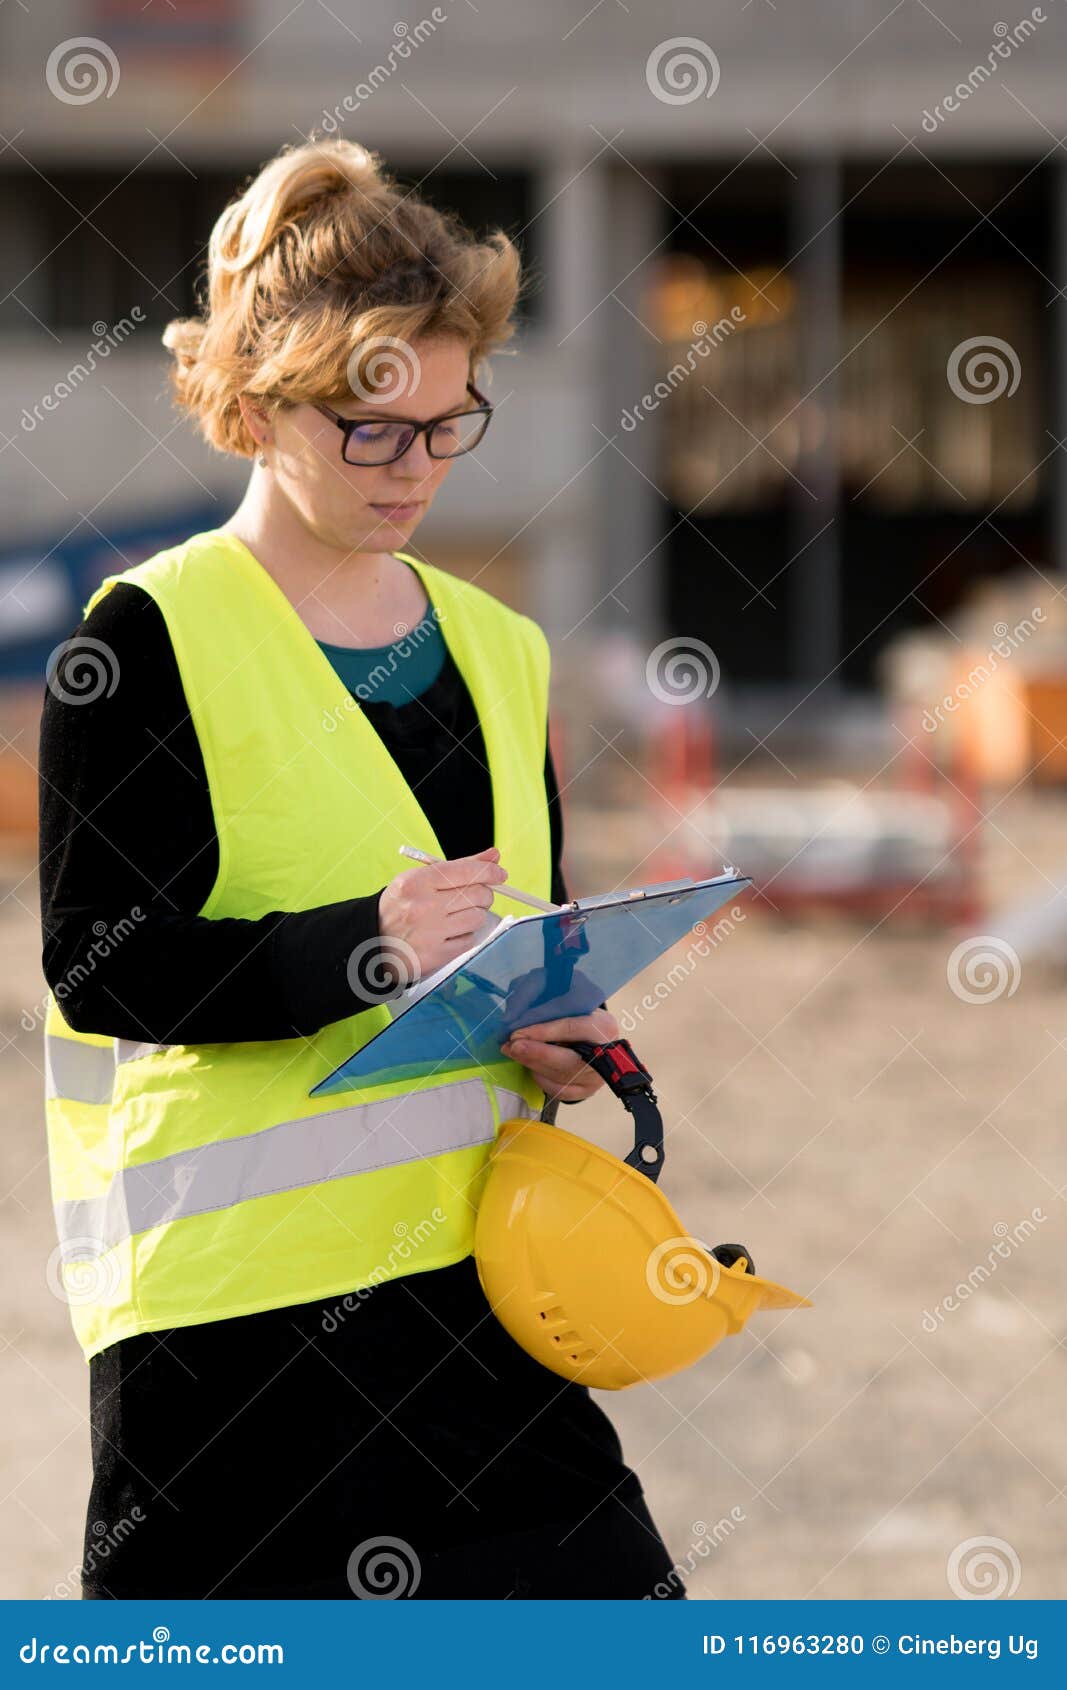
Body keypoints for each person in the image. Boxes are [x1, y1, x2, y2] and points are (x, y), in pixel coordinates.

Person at [37, 137, 686, 1600]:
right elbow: (93, 963)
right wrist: (361, 946)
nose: (415, 470)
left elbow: (526, 938)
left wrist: (560, 1036)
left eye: (448, 424)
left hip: (477, 1302)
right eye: (369, 429)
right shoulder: (140, 640)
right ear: (262, 405)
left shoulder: (500, 652)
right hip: (227, 1360)